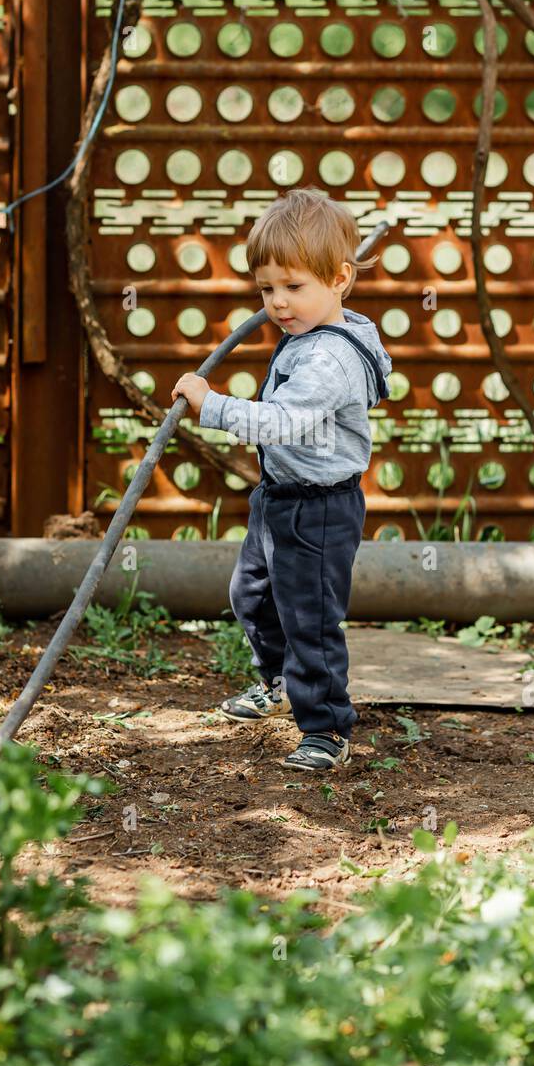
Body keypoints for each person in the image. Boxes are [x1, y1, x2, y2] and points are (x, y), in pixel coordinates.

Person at [172, 187, 393, 772]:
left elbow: (284, 423)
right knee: (251, 597)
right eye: (267, 289)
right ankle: (277, 683)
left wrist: (210, 404)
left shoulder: (329, 359)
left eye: (294, 288)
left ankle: (326, 729)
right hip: (278, 499)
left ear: (340, 278)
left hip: (320, 509)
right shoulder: (313, 332)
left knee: (311, 621)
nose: (278, 303)